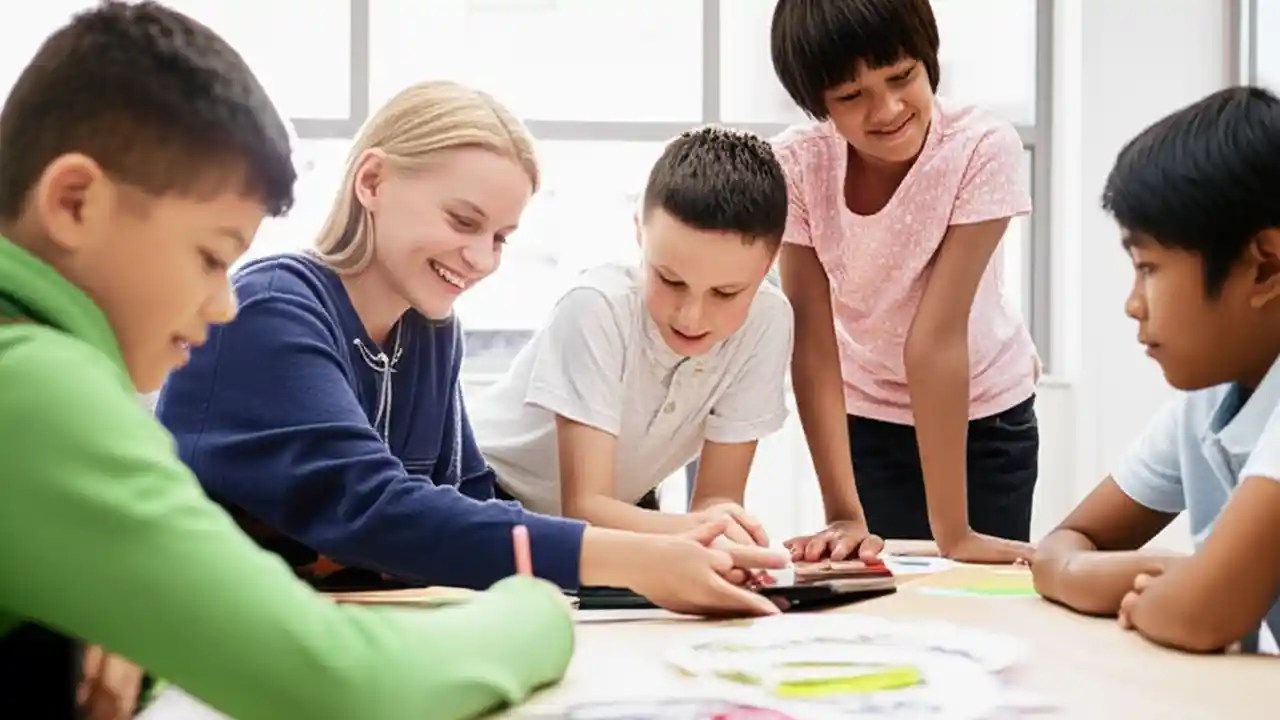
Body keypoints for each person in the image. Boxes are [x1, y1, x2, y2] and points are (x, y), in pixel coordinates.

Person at [0, 4, 576, 719]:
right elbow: (348, 685)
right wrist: (535, 613)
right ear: (74, 202)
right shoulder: (33, 385)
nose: (223, 305)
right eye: (210, 257)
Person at [155, 80, 786, 615]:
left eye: (501, 237)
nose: (483, 259)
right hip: (202, 632)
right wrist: (628, 556)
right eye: (463, 222)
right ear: (372, 181)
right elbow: (374, 506)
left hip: (336, 625)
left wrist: (663, 557)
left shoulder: (429, 331)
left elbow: (468, 500)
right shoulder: (270, 308)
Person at [768, 0, 1038, 563]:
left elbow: (935, 338)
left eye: (902, 77)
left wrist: (955, 534)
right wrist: (842, 512)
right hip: (868, 416)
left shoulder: (981, 148)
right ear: (818, 103)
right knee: (883, 592)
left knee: (975, 591)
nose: (887, 109)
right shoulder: (796, 165)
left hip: (984, 415)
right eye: (851, 96)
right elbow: (812, 342)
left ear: (927, 59)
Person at [1032, 86, 1280, 654]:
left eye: (1148, 268)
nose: (1132, 304)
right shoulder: (1210, 401)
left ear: (1265, 268)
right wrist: (1159, 573)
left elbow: (1201, 614)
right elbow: (1063, 544)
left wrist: (1185, 590)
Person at [469, 126, 792, 545]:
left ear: (771, 260)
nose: (691, 317)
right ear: (640, 232)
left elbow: (717, 500)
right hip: (485, 495)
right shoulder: (596, 307)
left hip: (616, 515)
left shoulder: (768, 321)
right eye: (670, 280)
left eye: (725, 293)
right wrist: (710, 531)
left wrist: (730, 535)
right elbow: (584, 507)